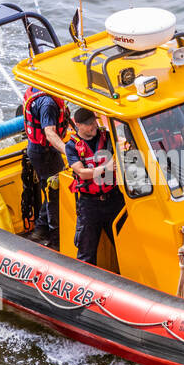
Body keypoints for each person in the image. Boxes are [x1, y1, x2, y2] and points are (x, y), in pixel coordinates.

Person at [65, 106, 125, 265]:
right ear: (78, 125)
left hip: (114, 199)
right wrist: (106, 168)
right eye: (89, 123)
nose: (94, 126)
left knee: (125, 243)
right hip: (89, 204)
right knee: (86, 251)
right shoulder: (71, 146)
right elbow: (81, 173)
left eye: (94, 121)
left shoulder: (108, 137)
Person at [21, 86, 70, 246]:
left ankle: (40, 229)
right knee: (54, 193)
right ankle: (55, 238)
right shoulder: (47, 104)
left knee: (50, 191)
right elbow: (49, 133)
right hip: (44, 153)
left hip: (42, 149)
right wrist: (69, 152)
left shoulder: (39, 92)